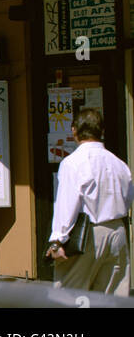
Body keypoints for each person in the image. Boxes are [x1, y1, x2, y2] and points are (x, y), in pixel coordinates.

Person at [47, 108, 132, 295]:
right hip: (117, 230)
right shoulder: (119, 164)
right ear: (101, 131)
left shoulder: (73, 163)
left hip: (88, 234)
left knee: (72, 294)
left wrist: (57, 241)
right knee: (112, 295)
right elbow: (127, 199)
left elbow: (67, 205)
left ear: (74, 130)